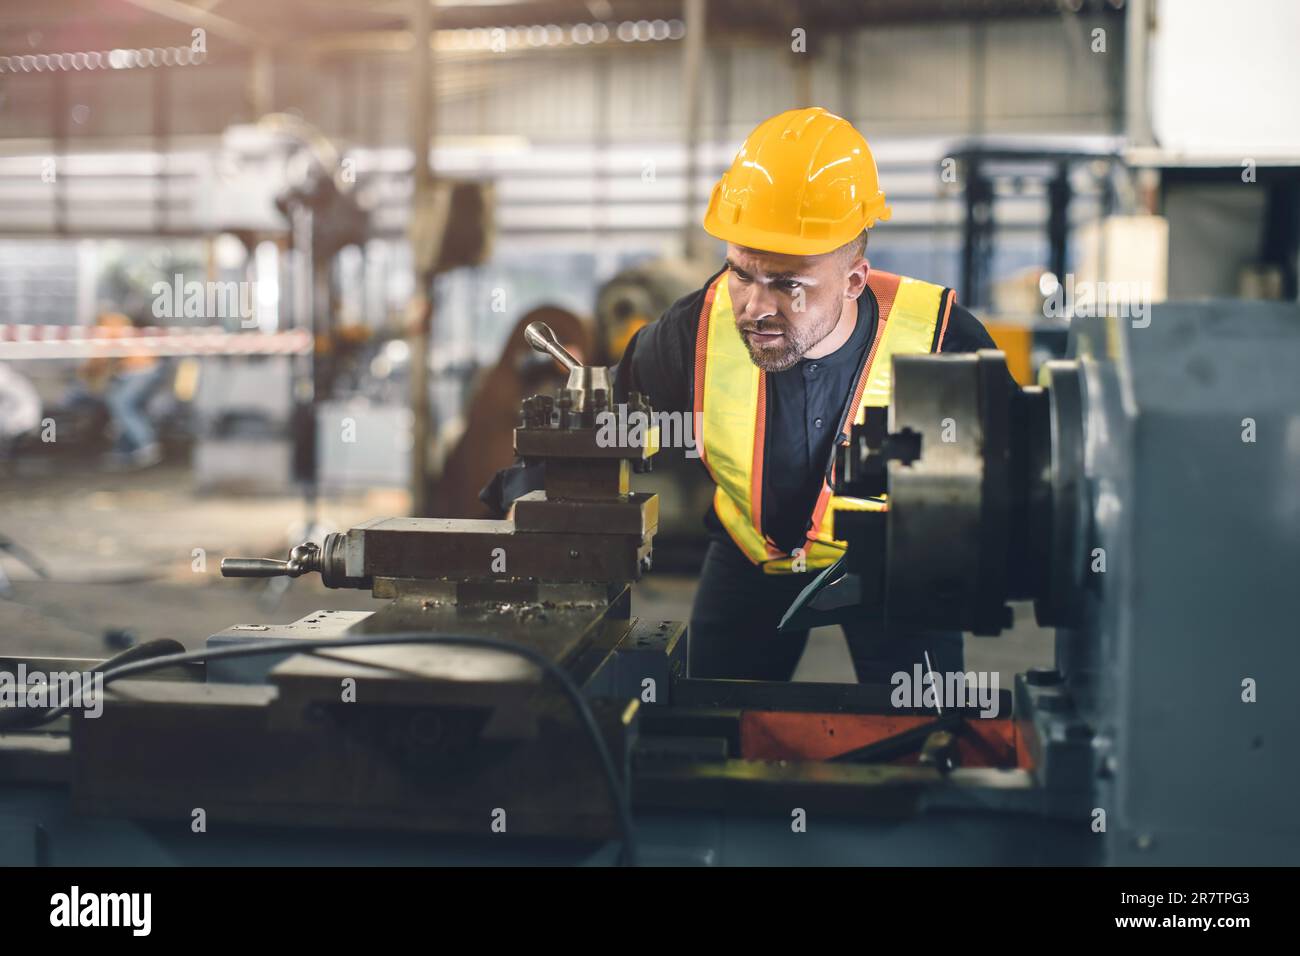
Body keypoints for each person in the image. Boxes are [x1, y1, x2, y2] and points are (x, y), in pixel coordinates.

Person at [485, 107, 1012, 683]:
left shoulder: (942, 338)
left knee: (928, 737)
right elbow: (603, 413)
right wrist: (529, 491)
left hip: (899, 562)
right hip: (751, 552)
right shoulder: (695, 331)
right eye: (742, 273)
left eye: (788, 284)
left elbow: (1021, 468)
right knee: (711, 726)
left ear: (855, 280)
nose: (755, 308)